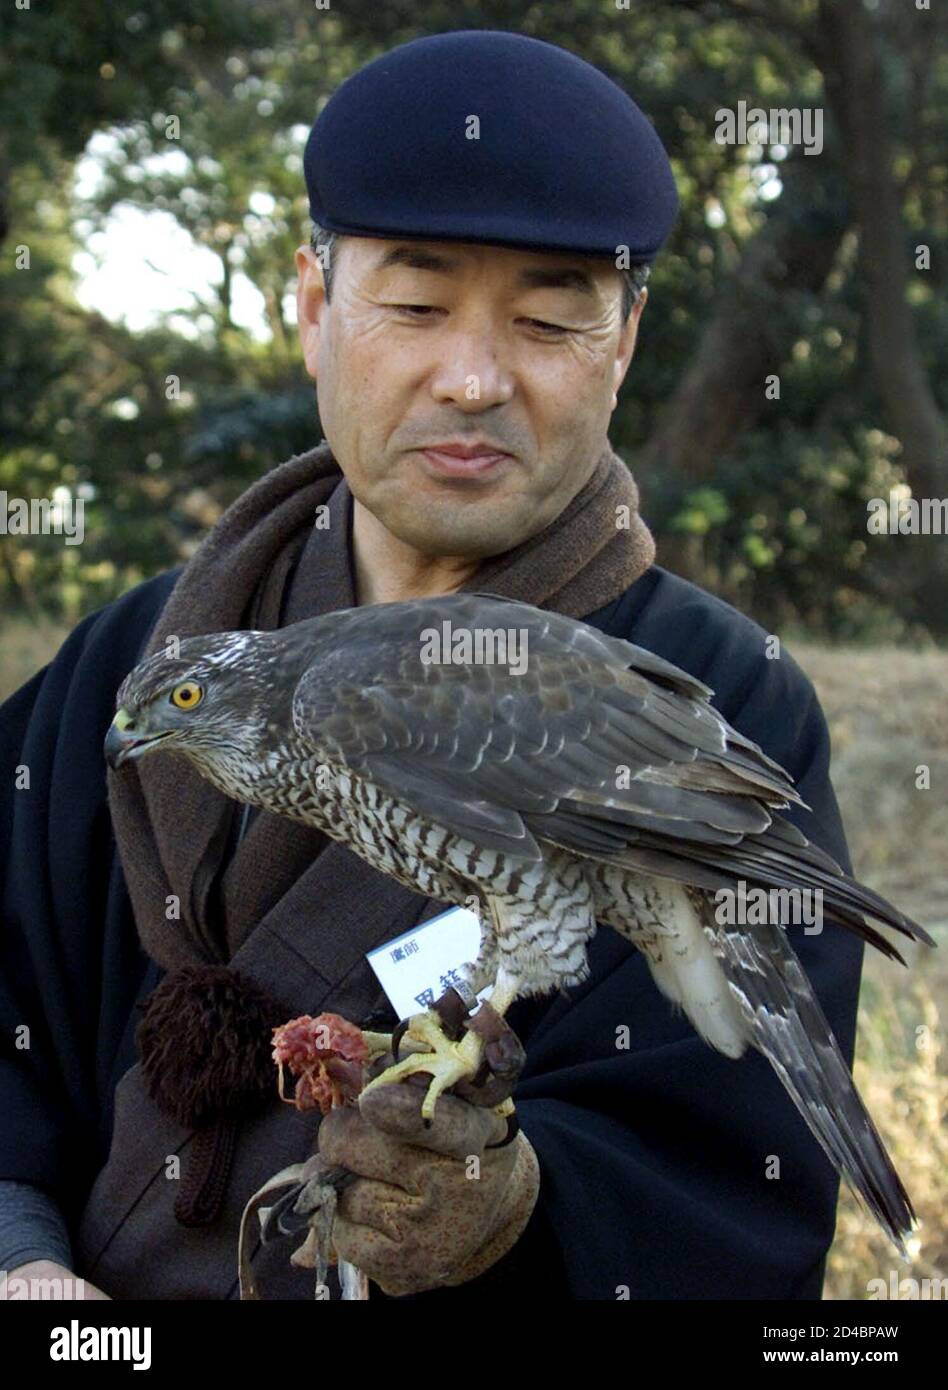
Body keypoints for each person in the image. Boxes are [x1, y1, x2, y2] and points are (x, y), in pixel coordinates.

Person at [0, 29, 864, 1301]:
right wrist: (22, 1260)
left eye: (548, 317)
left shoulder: (725, 691)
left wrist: (515, 1206)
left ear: (623, 342)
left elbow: (723, 1179)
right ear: (312, 307)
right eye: (412, 306)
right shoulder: (128, 665)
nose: (471, 378)